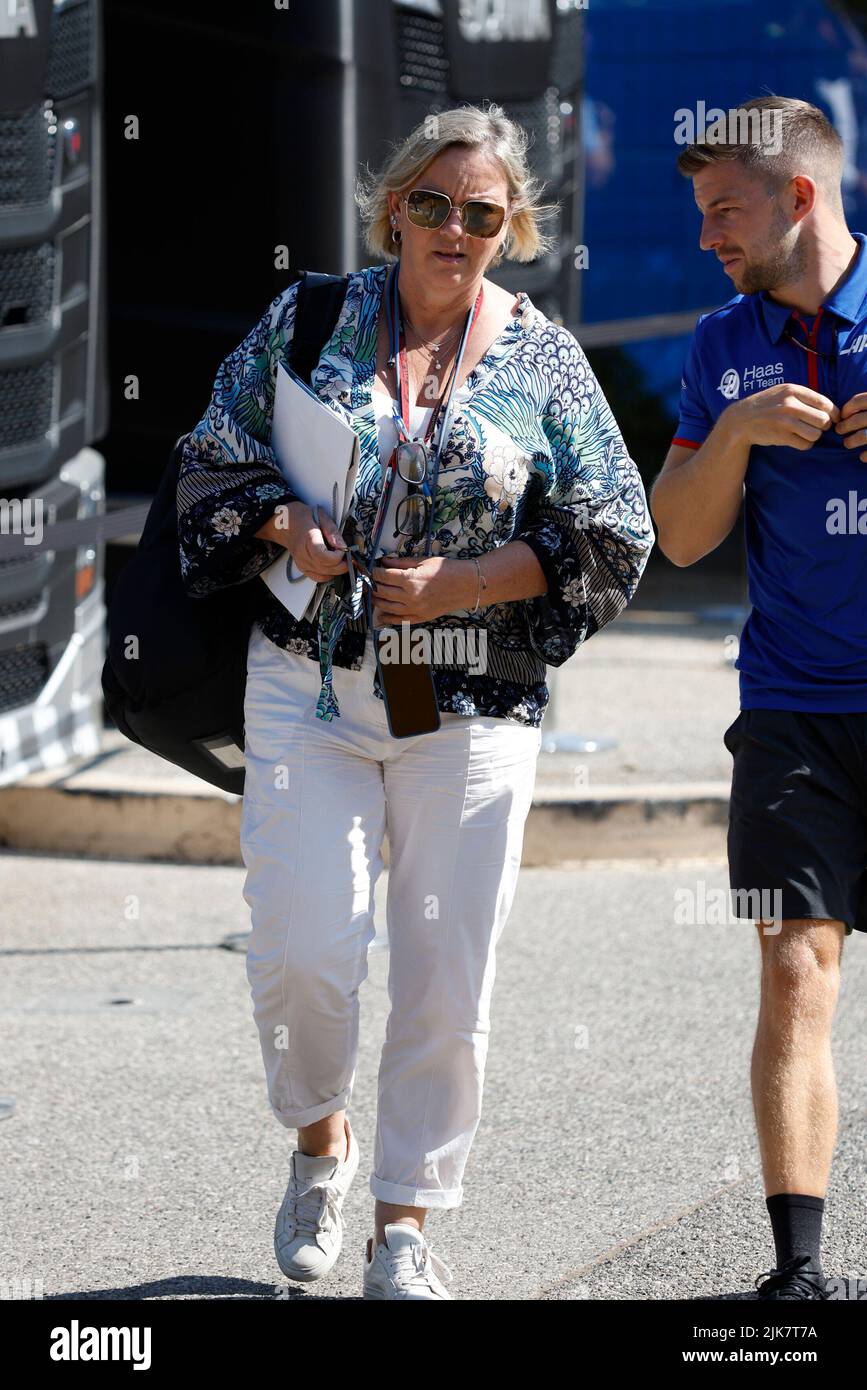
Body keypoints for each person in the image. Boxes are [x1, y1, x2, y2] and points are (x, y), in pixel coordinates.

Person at [176, 101, 653, 1300]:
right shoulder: (313, 316)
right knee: (303, 952)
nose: (452, 227)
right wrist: (285, 519)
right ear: (394, 207)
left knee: (445, 977)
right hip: (306, 677)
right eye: (431, 204)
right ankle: (316, 1141)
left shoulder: (545, 359)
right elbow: (204, 457)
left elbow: (617, 528)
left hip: (472, 702)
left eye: (480, 213)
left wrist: (471, 579)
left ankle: (404, 1227)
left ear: (512, 229)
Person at [652, 95, 867, 1301]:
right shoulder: (718, 343)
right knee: (793, 965)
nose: (707, 237)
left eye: (724, 209)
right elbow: (680, 542)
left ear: (799, 197)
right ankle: (800, 1273)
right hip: (788, 706)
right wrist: (731, 433)